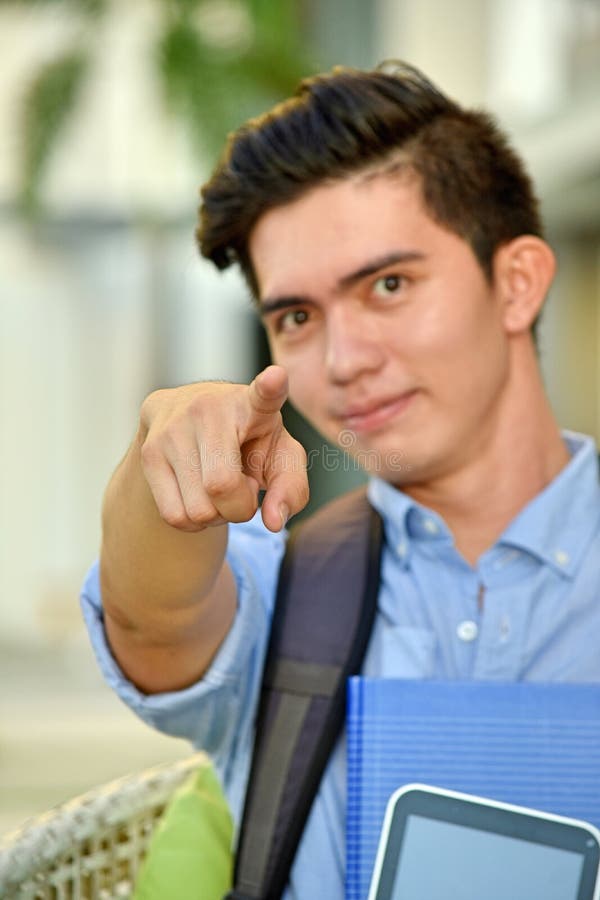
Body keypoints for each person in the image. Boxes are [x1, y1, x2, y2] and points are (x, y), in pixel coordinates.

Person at [81, 62, 600, 900]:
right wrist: (165, 453)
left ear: (517, 282)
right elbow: (154, 621)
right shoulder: (283, 582)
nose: (344, 361)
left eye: (389, 285)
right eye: (297, 317)